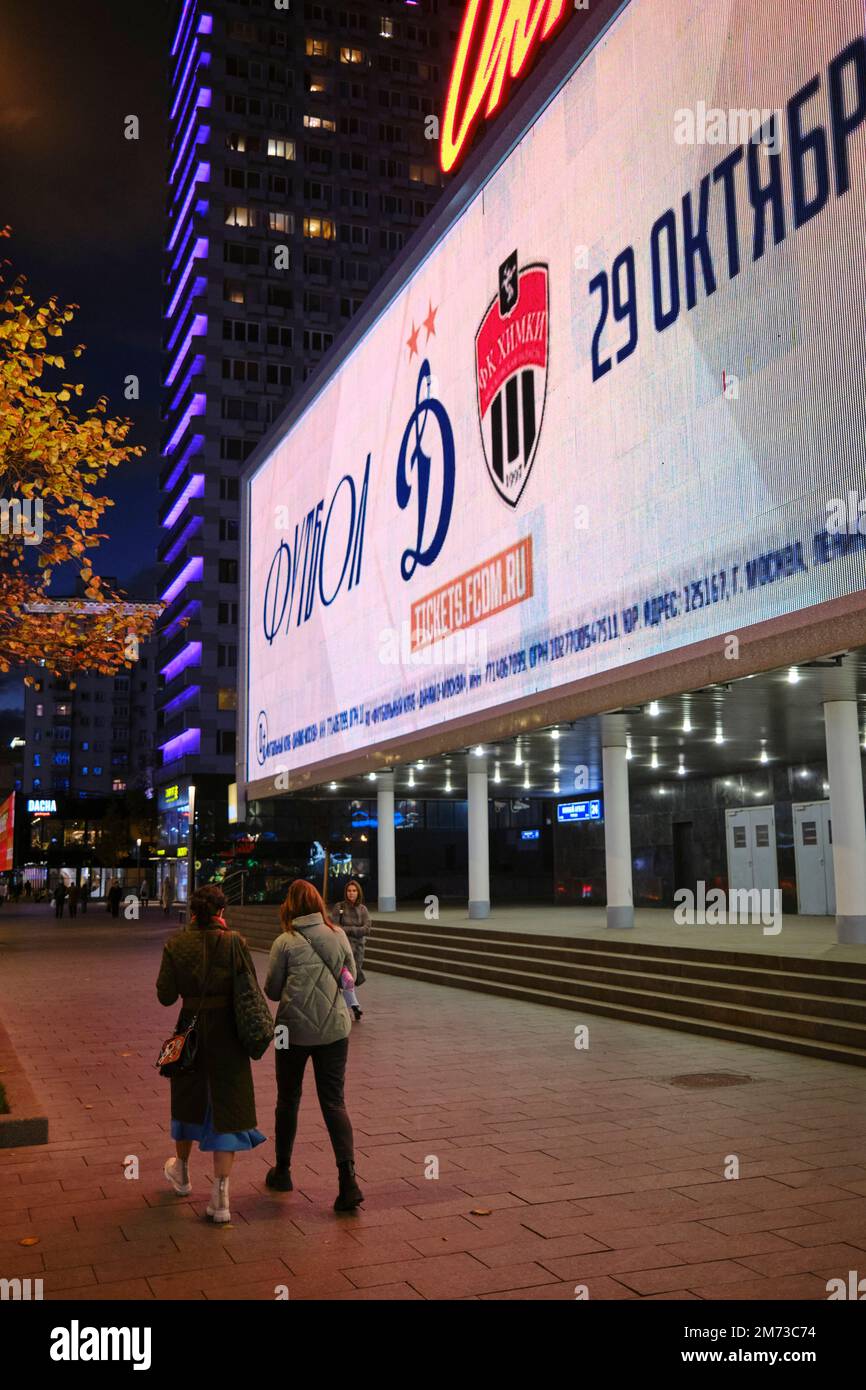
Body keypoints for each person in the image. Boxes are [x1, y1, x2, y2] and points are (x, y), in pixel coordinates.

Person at [156, 884, 265, 1224]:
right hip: (228, 1034)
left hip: (189, 1030)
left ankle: (183, 1174)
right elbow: (248, 988)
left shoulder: (176, 944)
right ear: (221, 913)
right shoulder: (235, 943)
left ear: (192, 913)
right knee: (227, 1105)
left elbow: (165, 996)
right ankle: (221, 1196)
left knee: (189, 1099)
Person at [264, 879, 363, 1211]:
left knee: (287, 1099)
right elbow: (350, 976)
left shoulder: (285, 942)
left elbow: (273, 991)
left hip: (290, 1033)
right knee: (334, 1102)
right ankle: (347, 1180)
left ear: (290, 906)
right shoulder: (338, 934)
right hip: (335, 1029)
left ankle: (283, 1170)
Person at [330, 878, 371, 1021]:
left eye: (354, 891)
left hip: (358, 950)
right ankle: (354, 1006)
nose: (351, 893)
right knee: (347, 977)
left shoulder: (363, 909)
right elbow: (335, 927)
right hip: (343, 948)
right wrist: (355, 930)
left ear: (358, 892)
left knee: (350, 978)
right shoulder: (339, 907)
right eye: (349, 890)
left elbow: (367, 929)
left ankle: (346, 1005)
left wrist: (347, 929)